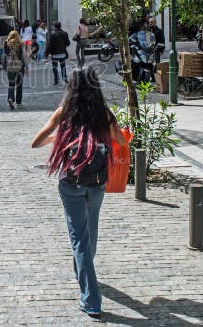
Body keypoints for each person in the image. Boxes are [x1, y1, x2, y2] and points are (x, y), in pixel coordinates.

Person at [31, 65, 127, 319]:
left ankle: (91, 299)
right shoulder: (102, 113)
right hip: (97, 182)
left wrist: (60, 140)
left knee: (80, 240)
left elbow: (36, 141)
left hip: (70, 183)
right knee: (89, 234)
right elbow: (121, 141)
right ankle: (84, 272)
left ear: (71, 87)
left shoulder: (64, 112)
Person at [4, 30, 28, 109]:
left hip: (10, 66)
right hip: (19, 67)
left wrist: (4, 66)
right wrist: (27, 67)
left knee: (11, 84)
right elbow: (24, 56)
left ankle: (10, 98)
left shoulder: (6, 43)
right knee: (19, 84)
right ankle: (18, 101)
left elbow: (4, 56)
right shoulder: (21, 44)